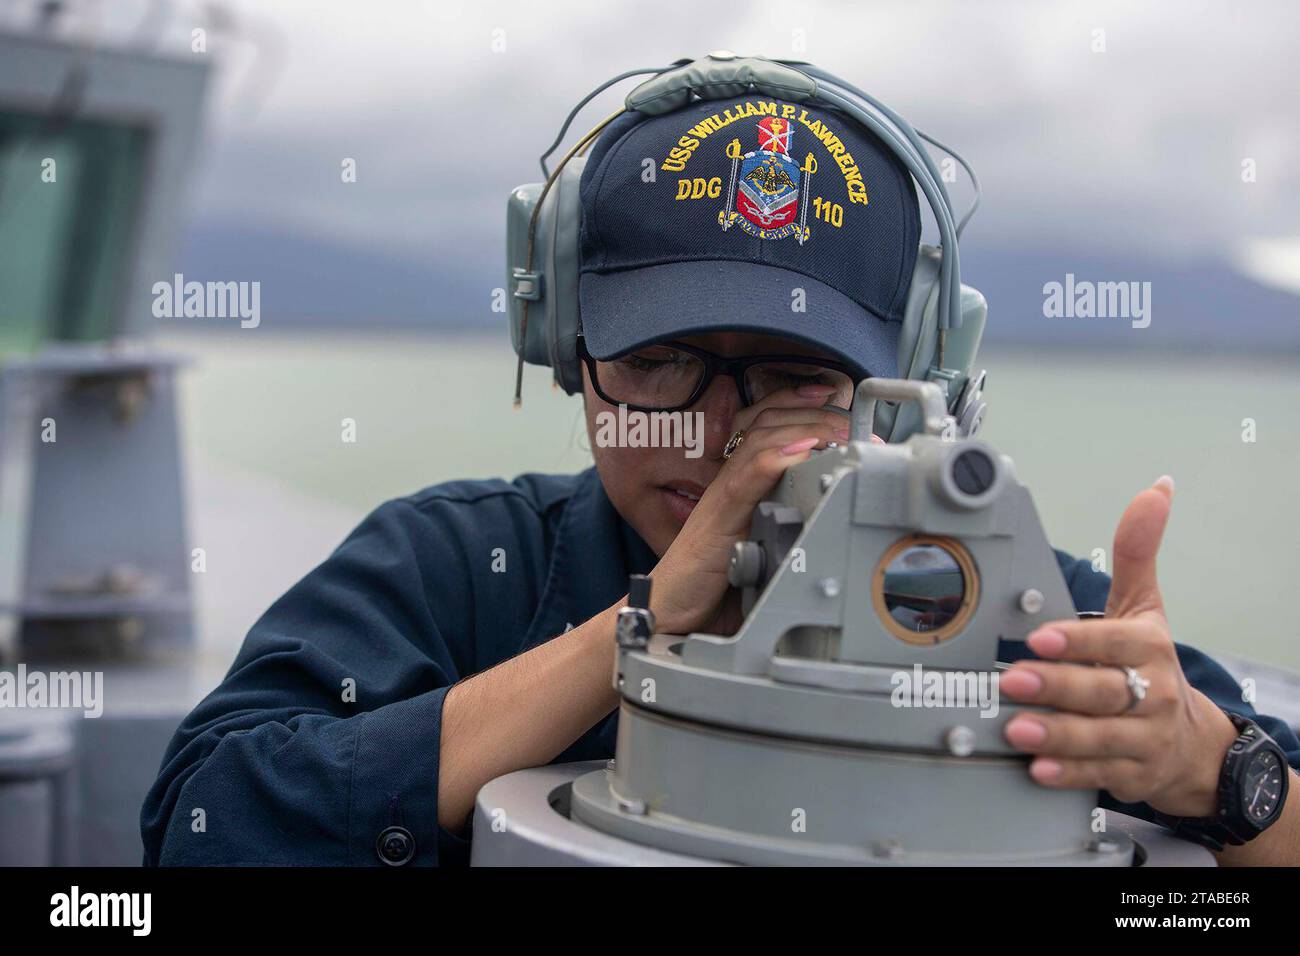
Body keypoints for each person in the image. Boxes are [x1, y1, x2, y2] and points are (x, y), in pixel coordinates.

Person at [140, 68, 1300, 867]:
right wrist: (634, 630)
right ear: (566, 355)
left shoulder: (1000, 605)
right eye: (660, 365)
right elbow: (203, 823)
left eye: (796, 380)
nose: (722, 439)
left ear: (912, 389)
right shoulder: (456, 563)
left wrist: (1207, 764)